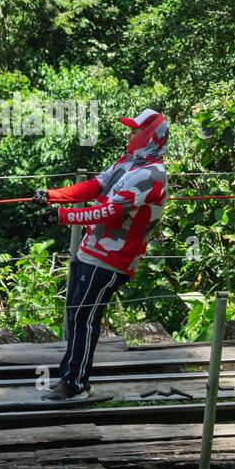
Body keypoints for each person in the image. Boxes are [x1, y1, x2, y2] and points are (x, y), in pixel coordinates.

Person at [33, 109, 168, 401]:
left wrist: (61, 216)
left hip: (112, 259)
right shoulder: (129, 162)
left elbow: (109, 211)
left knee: (84, 317)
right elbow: (95, 185)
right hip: (90, 250)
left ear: (149, 136)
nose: (130, 136)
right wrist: (53, 194)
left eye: (135, 132)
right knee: (75, 316)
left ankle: (75, 384)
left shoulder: (151, 175)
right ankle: (73, 378)